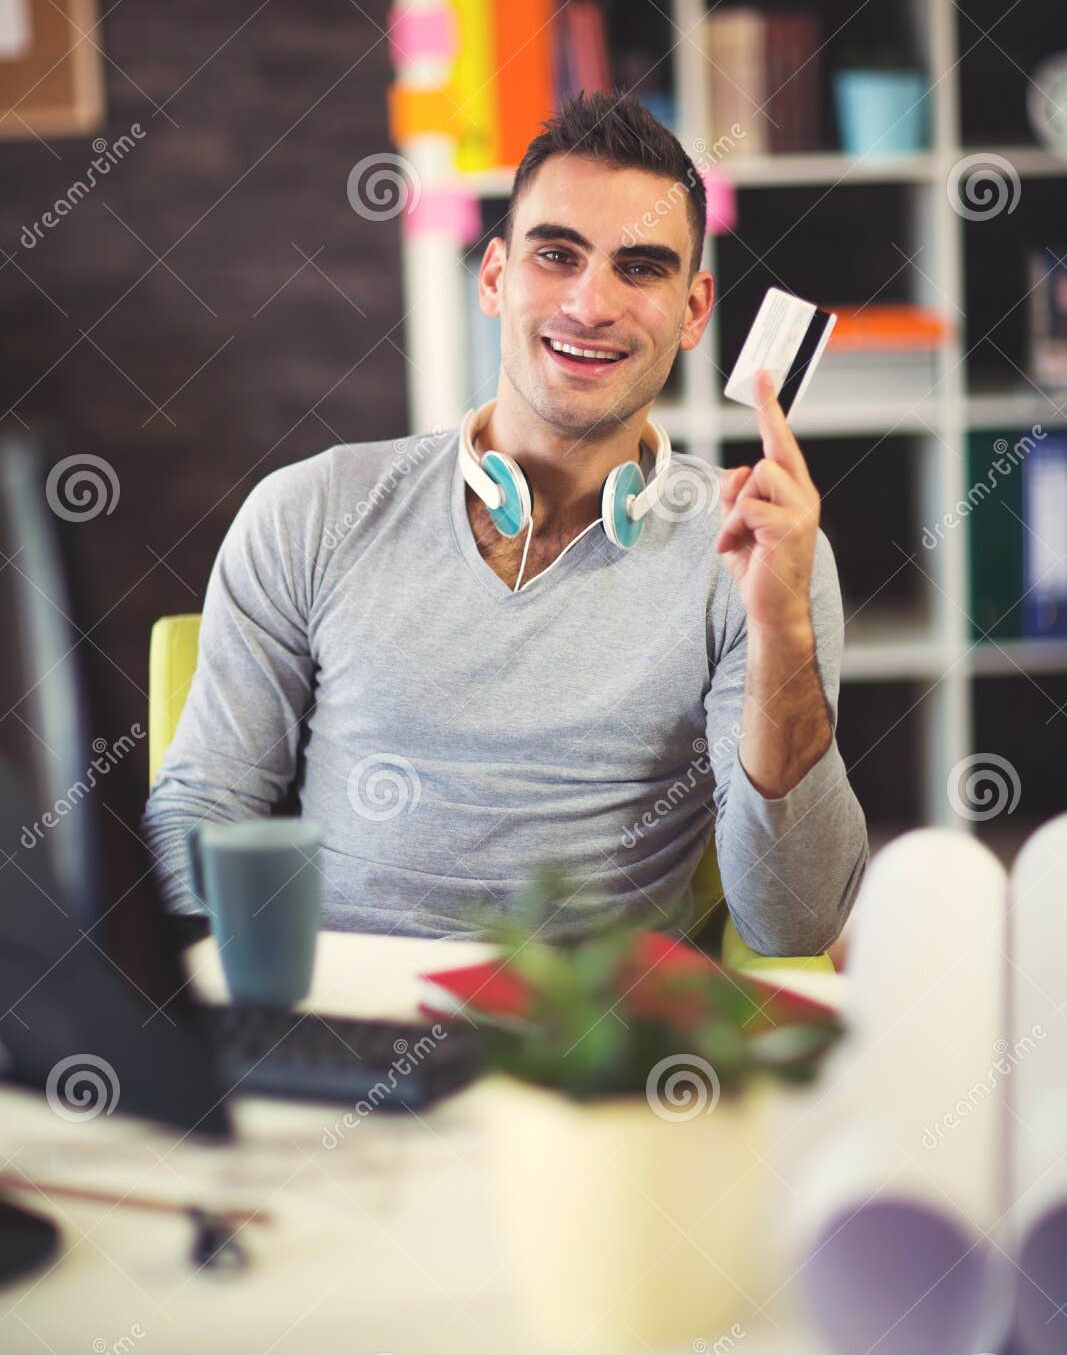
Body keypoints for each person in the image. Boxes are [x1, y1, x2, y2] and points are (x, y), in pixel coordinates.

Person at [142, 89, 868, 954]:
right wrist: (203, 1025)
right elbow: (204, 807)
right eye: (556, 255)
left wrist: (781, 632)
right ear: (493, 278)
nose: (590, 304)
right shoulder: (310, 510)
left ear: (693, 310)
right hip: (338, 1026)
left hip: (580, 1047)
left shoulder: (761, 551)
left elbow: (794, 920)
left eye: (639, 268)